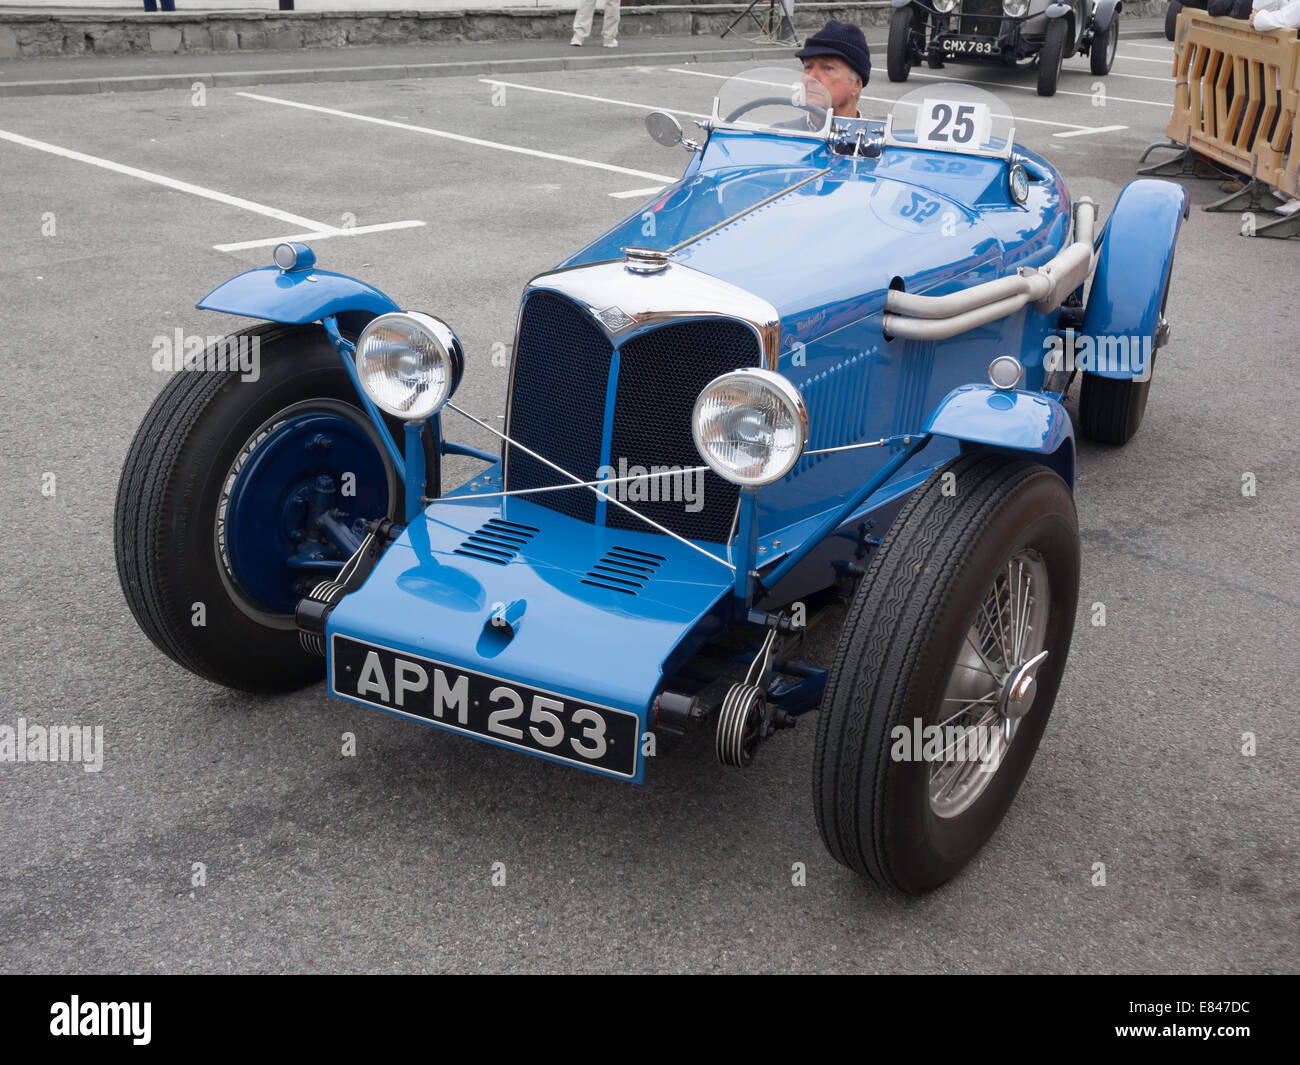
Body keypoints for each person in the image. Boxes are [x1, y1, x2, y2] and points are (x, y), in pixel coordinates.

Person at [795, 20, 871, 119]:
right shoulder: (782, 132)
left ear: (856, 84)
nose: (811, 77)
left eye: (827, 68)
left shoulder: (874, 134)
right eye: (808, 67)